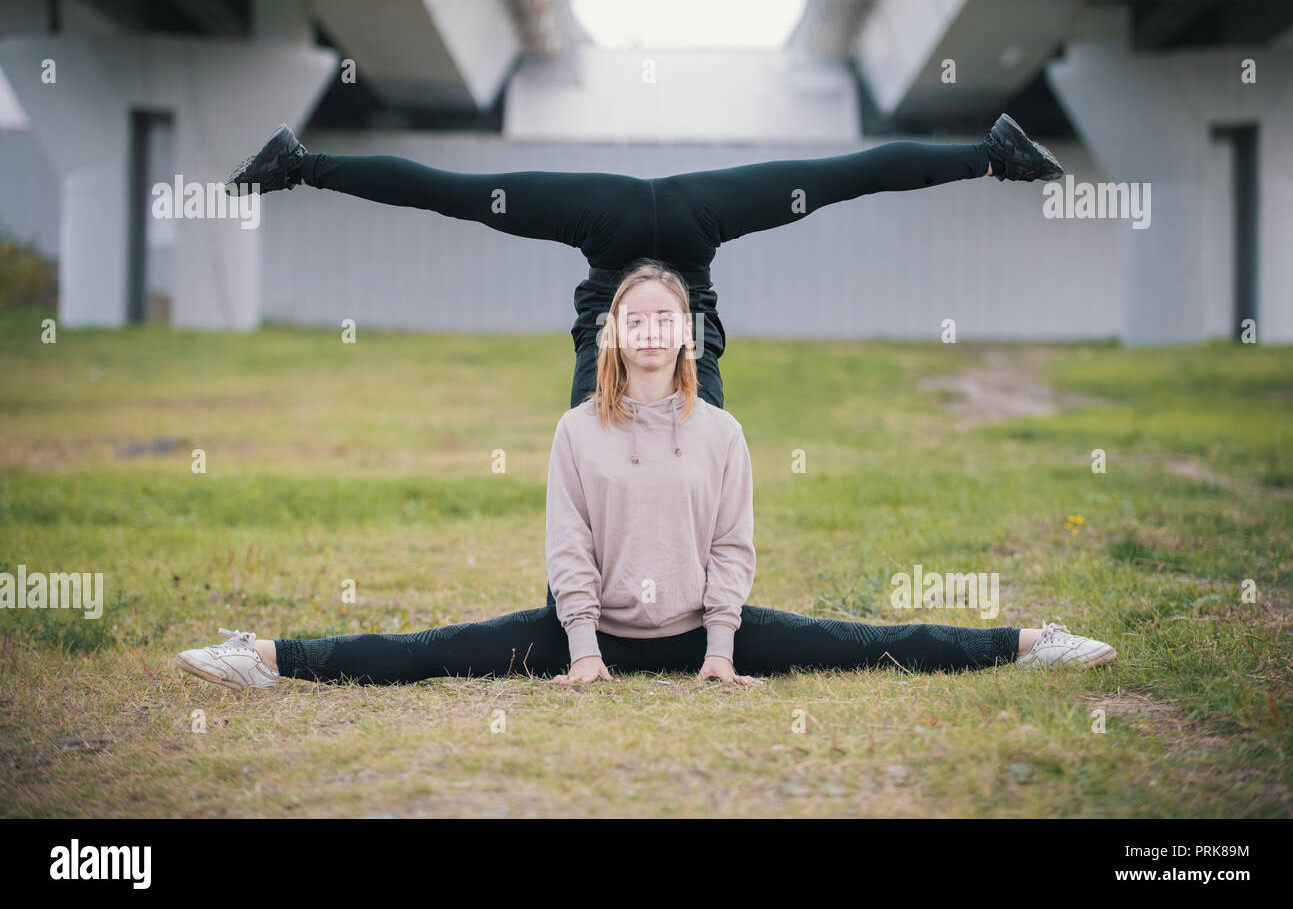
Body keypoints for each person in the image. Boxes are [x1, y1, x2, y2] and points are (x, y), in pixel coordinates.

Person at [225, 113, 1065, 608]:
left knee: (459, 196)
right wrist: (984, 160)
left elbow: (440, 190)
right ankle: (994, 149)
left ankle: (298, 163)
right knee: (832, 185)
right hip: (686, 245)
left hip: (616, 232)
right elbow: (854, 173)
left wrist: (309, 171)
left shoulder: (612, 248)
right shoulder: (689, 260)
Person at [174, 261, 1116, 692]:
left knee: (861, 641)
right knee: (432, 649)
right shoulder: (576, 429)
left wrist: (720, 649)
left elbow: (733, 546)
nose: (654, 329)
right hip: (598, 635)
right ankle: (263, 656)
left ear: (687, 335)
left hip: (705, 633)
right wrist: (581, 650)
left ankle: (1033, 642)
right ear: (614, 336)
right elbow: (566, 545)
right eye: (636, 318)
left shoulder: (723, 431)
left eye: (668, 316)